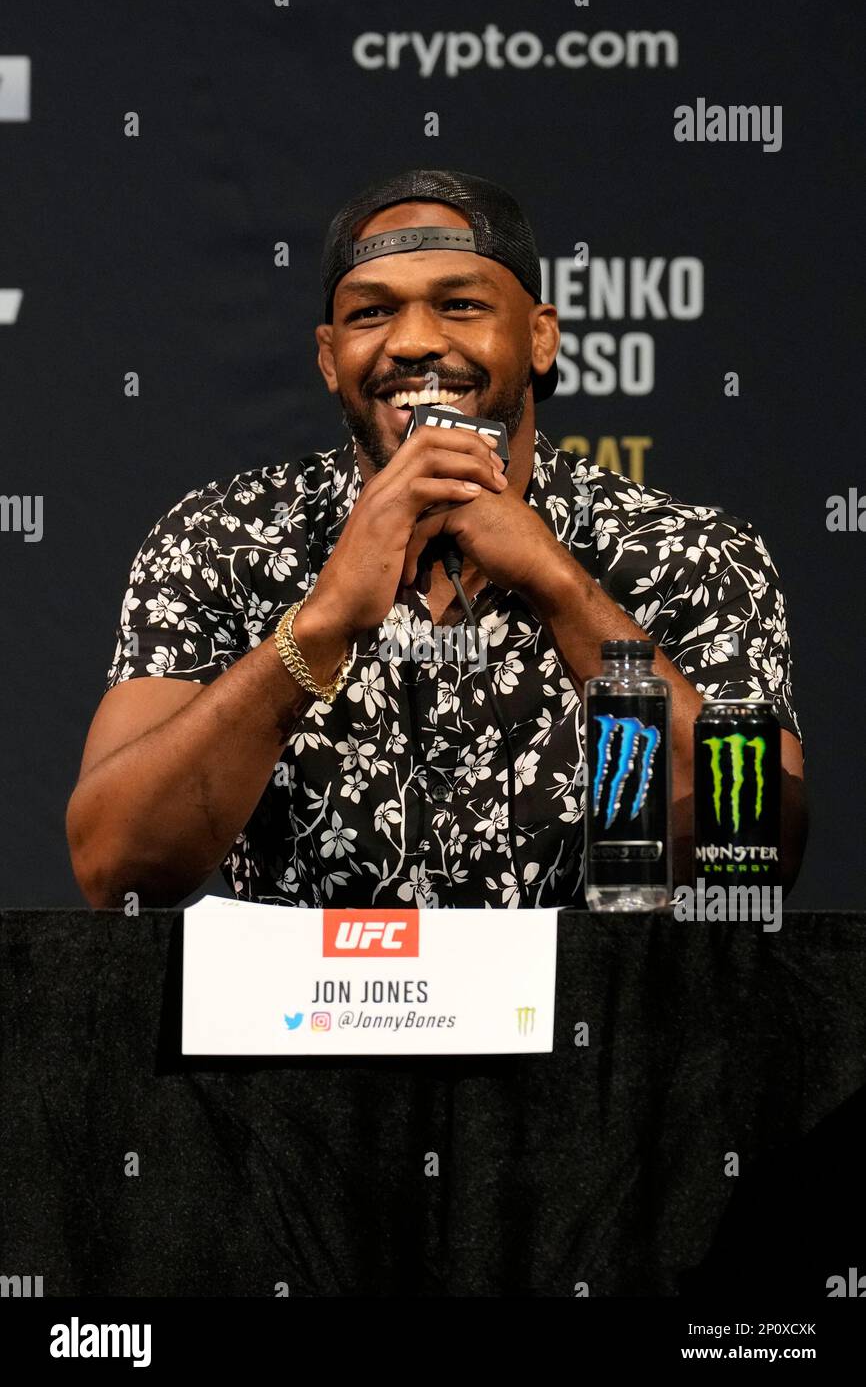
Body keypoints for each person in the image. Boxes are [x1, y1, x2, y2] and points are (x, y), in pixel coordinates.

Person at [66, 168, 807, 910]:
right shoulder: (222, 541)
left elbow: (755, 857)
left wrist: (561, 586)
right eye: (370, 314)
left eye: (460, 305)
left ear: (540, 338)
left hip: (595, 1020)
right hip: (312, 1021)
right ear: (329, 357)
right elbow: (113, 866)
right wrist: (320, 624)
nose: (415, 342)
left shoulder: (684, 551)